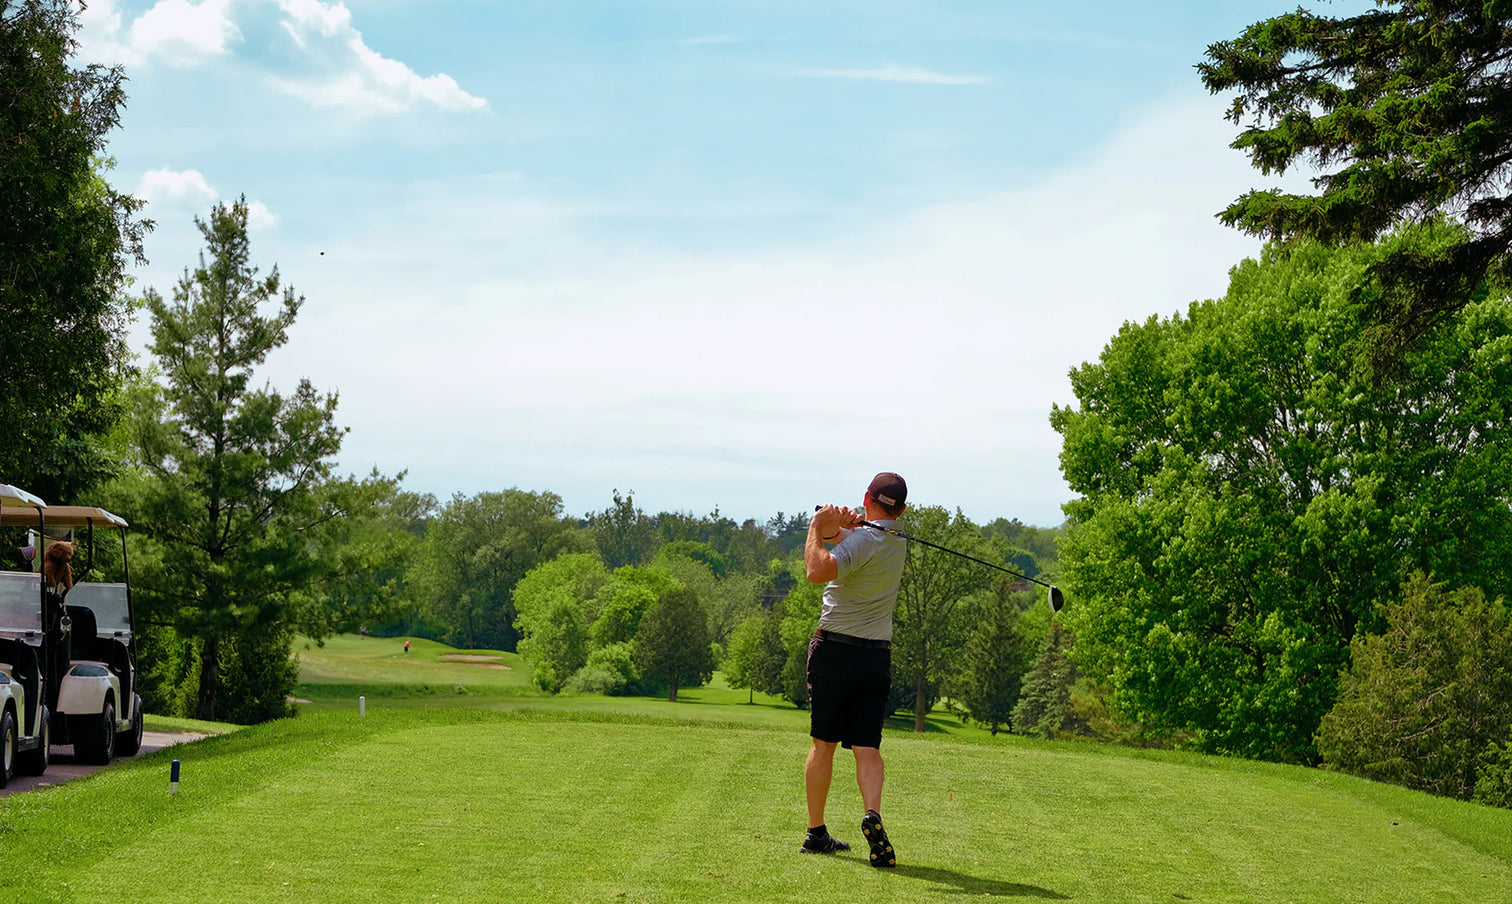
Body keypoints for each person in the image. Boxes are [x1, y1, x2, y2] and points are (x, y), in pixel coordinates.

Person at [799, 472, 908, 867]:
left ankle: (816, 834)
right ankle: (872, 813)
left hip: (834, 651)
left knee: (823, 744)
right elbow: (852, 544)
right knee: (867, 747)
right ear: (902, 510)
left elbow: (817, 570)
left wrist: (817, 526)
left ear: (866, 497)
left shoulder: (863, 541)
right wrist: (838, 528)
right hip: (875, 657)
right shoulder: (896, 541)